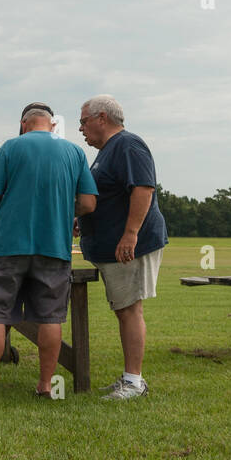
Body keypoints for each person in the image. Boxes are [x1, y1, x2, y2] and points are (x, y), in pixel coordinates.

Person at [0, 102, 97, 399]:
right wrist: (65, 211)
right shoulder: (74, 152)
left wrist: (10, 208)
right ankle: (44, 386)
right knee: (51, 317)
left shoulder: (10, 148)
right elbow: (89, 204)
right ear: (51, 125)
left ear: (24, 124)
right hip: (54, 246)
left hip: (9, 245)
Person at [76, 94, 167, 400]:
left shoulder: (128, 144)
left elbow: (143, 188)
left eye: (83, 121)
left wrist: (130, 234)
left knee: (129, 310)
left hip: (128, 246)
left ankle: (134, 382)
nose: (80, 129)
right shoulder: (106, 152)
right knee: (124, 309)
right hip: (110, 246)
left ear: (102, 118)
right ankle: (130, 378)